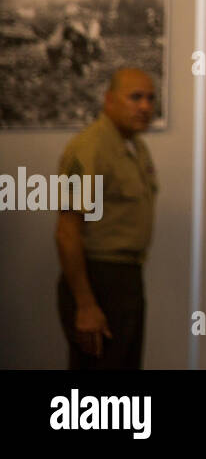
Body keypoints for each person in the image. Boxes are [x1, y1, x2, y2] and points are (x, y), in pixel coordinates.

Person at [55, 67, 159, 369]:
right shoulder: (90, 148)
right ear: (109, 101)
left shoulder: (134, 147)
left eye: (150, 98)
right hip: (98, 280)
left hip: (126, 277)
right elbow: (66, 231)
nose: (145, 106)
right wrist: (86, 305)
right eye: (135, 97)